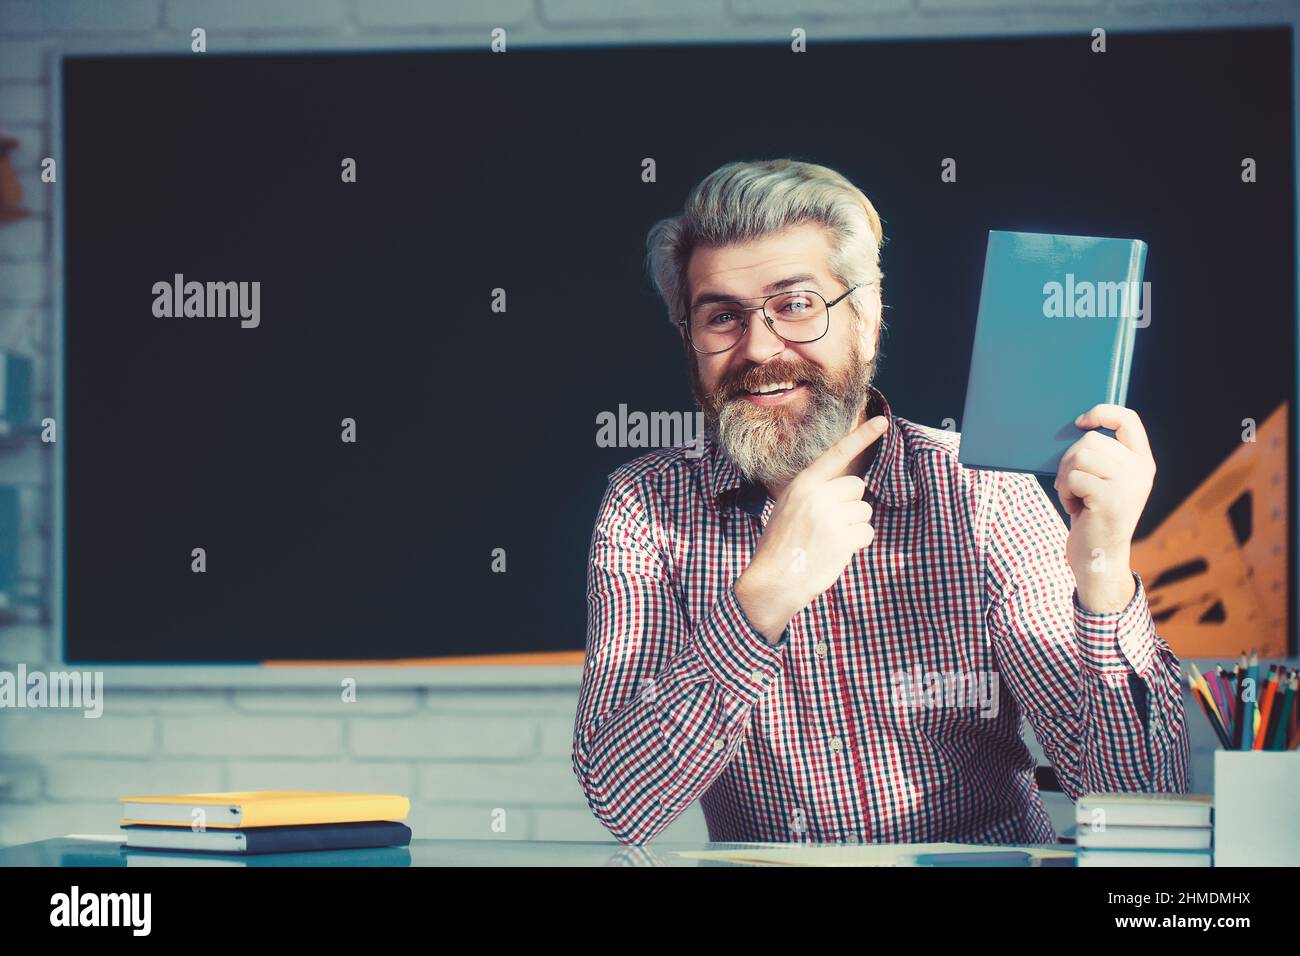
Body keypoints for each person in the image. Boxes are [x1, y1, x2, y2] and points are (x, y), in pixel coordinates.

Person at [571, 158, 1189, 846]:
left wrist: (1103, 575)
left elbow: (1138, 802)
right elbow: (621, 803)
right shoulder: (647, 504)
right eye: (722, 317)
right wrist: (764, 596)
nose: (759, 347)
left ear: (865, 319)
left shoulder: (980, 490)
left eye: (795, 305)